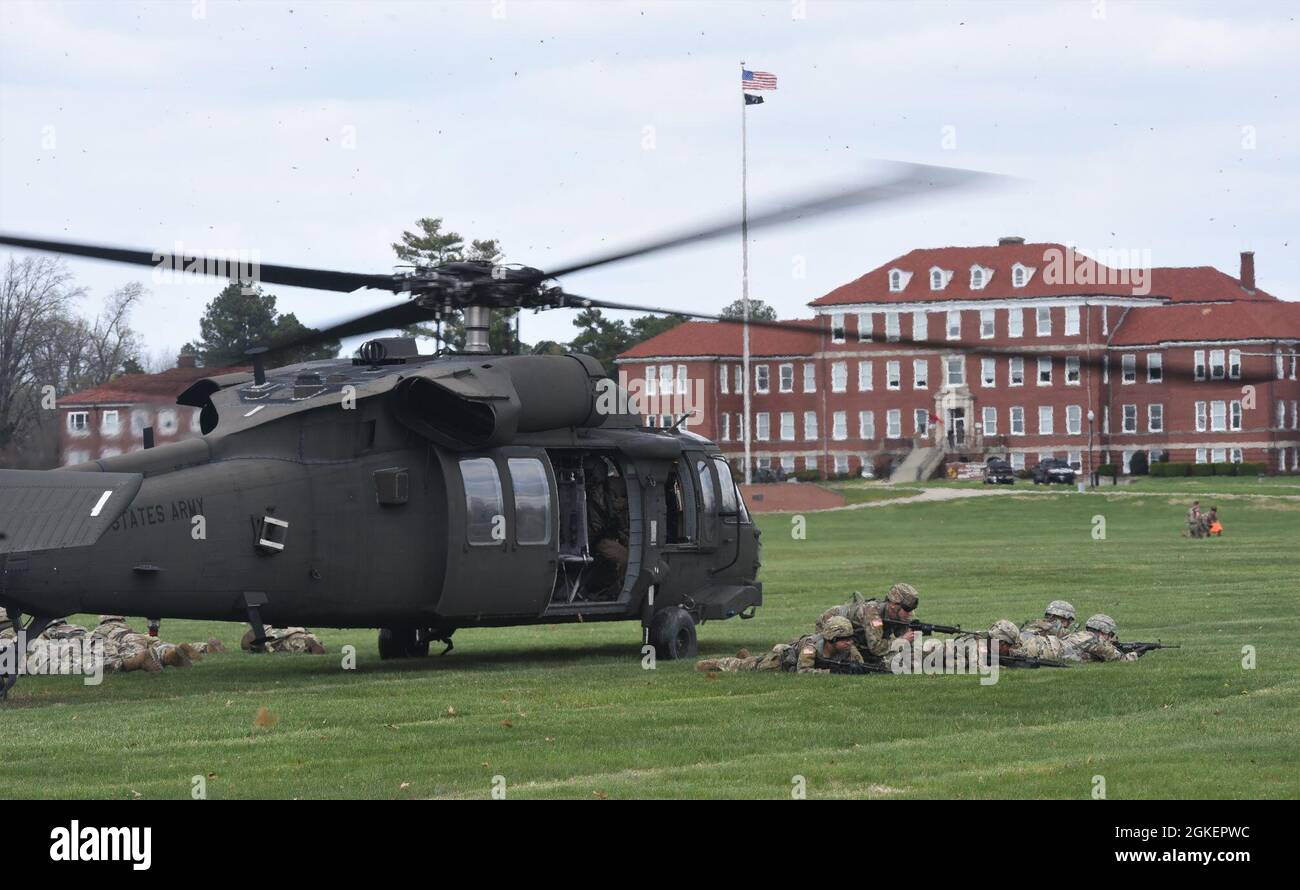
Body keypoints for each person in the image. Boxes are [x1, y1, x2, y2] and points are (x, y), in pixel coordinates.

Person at [696, 616, 864, 674]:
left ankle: (748, 657)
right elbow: (803, 672)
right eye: (844, 639)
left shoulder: (849, 648)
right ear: (831, 639)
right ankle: (716, 663)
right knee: (747, 667)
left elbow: (861, 665)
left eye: (850, 638)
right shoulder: (810, 647)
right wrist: (833, 671)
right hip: (781, 661)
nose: (849, 642)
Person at [815, 583, 920, 662]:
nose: (910, 613)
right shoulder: (872, 614)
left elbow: (906, 650)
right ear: (893, 605)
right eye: (907, 609)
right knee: (854, 663)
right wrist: (902, 640)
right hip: (830, 626)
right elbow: (876, 647)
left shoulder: (898, 616)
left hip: (857, 635)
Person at [584, 456, 629, 598]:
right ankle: (617, 592)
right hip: (597, 540)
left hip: (607, 535)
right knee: (625, 558)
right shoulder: (587, 493)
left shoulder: (611, 488)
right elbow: (595, 528)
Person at [1062, 614, 1139, 663]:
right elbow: (1119, 658)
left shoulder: (1080, 635)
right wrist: (1136, 654)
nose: (1111, 639)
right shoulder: (1094, 639)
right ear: (1103, 632)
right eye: (1110, 634)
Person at [240, 626, 326, 654]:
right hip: (292, 631)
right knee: (298, 641)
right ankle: (310, 641)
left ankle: (310, 642)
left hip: (276, 635)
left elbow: (245, 644)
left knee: (295, 643)